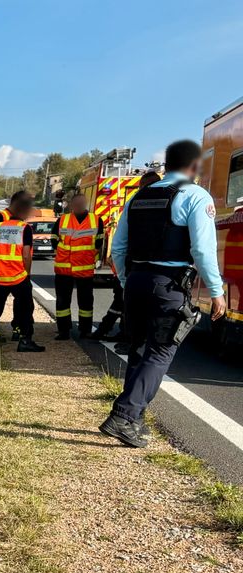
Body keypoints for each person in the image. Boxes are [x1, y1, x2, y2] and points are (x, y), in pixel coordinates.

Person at [100, 141, 227, 447]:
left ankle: (135, 419)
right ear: (195, 166)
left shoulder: (138, 197)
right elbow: (202, 250)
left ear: (167, 164)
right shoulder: (195, 195)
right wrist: (216, 291)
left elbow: (118, 248)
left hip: (137, 282)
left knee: (139, 350)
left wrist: (128, 279)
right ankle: (124, 415)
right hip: (167, 285)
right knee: (161, 351)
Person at [90, 170, 163, 342]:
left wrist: (121, 274)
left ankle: (119, 333)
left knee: (124, 301)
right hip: (159, 270)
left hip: (134, 267)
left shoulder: (135, 203)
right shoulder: (170, 203)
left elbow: (119, 245)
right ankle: (126, 333)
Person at [0, 191, 46, 353]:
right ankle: (25, 339)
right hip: (17, 275)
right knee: (26, 307)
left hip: (0, 275)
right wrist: (27, 274)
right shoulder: (24, 228)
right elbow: (25, 254)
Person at [52, 193, 103, 339]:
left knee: (86, 302)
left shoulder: (96, 220)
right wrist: (61, 252)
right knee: (62, 302)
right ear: (72, 205)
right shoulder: (62, 219)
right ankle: (63, 330)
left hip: (84, 268)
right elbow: (54, 238)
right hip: (64, 268)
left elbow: (99, 242)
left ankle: (85, 330)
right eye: (77, 204)